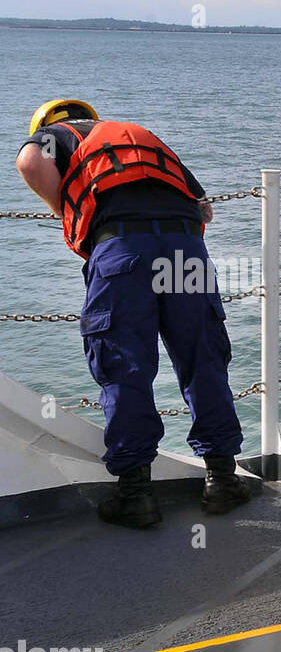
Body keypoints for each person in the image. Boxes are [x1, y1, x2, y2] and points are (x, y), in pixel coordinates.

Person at [15, 99, 250, 527]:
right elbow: (204, 209)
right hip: (185, 252)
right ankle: (221, 479)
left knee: (125, 365)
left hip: (122, 250)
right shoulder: (138, 136)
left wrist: (66, 210)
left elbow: (30, 162)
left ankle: (136, 494)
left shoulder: (62, 135)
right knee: (203, 357)